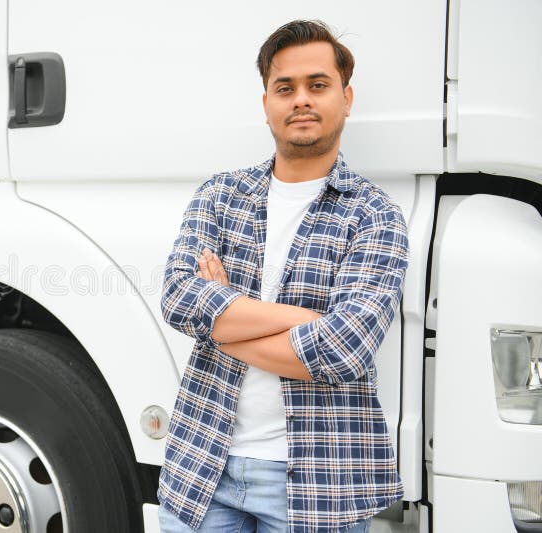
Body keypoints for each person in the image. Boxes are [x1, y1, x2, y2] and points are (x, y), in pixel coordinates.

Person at [158, 19, 409, 532]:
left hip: (316, 482)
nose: (301, 100)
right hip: (202, 462)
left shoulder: (374, 215)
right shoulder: (221, 195)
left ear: (346, 97)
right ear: (267, 101)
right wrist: (303, 319)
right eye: (285, 88)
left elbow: (343, 348)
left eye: (318, 85)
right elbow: (180, 298)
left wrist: (224, 316)